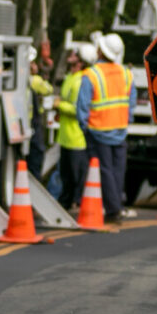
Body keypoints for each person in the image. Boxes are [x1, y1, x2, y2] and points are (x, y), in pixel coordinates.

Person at [76, 32, 136, 224]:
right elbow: (131, 103)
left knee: (105, 170)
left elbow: (83, 105)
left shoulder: (92, 74)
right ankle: (116, 204)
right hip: (119, 129)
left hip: (98, 129)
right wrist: (126, 120)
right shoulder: (127, 73)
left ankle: (113, 209)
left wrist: (83, 125)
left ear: (101, 50)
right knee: (118, 170)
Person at [55, 43, 95, 211]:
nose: (70, 57)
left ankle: (76, 202)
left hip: (76, 138)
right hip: (65, 136)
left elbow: (79, 109)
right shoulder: (69, 77)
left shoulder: (80, 80)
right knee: (65, 174)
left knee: (75, 175)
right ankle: (65, 202)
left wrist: (59, 105)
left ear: (81, 62)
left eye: (74, 56)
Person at [26, 45, 54, 180]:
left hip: (23, 121)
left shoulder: (22, 78)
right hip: (32, 123)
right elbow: (48, 89)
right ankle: (35, 181)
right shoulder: (35, 80)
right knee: (37, 153)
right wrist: (37, 74)